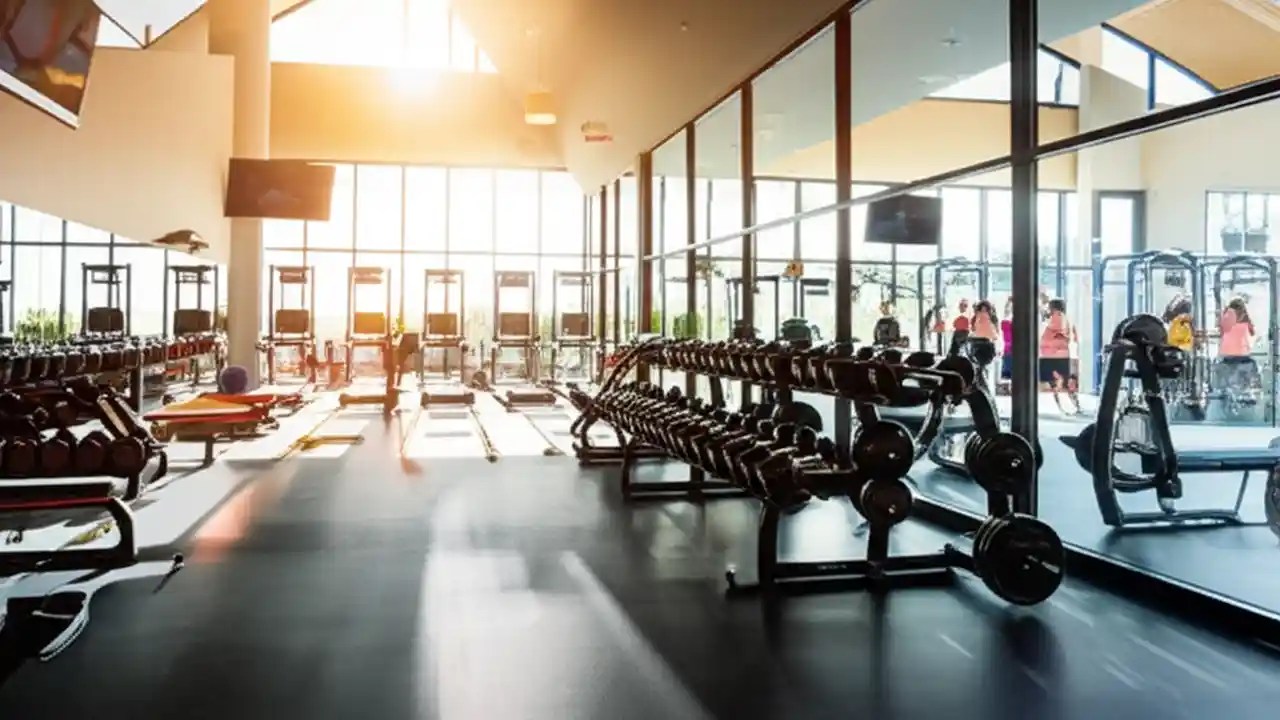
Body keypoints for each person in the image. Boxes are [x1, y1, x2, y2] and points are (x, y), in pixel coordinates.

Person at [1039, 298, 1080, 414]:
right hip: (1055, 354)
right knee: (1059, 383)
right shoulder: (1062, 318)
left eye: (1050, 307)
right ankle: (1069, 405)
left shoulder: (1058, 317)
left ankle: (1068, 405)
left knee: (1058, 382)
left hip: (1054, 355)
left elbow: (1056, 332)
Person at [1218, 296, 1258, 395]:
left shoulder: (1226, 318)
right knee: (1252, 366)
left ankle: (1228, 390)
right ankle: (1251, 389)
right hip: (1242, 355)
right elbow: (1253, 333)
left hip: (1226, 355)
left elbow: (1222, 332)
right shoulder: (1245, 319)